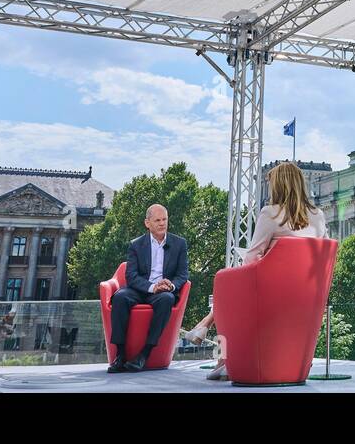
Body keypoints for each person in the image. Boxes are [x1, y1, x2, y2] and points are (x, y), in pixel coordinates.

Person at [184, 162, 327, 380]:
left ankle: (222, 356)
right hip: (306, 297)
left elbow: (252, 257)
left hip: (271, 295)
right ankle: (207, 330)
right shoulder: (318, 216)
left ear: (278, 186)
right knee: (231, 290)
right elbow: (320, 256)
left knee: (225, 285)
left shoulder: (270, 213)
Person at [108, 203, 189, 373]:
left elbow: (182, 275)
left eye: (165, 219)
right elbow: (131, 276)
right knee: (120, 297)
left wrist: (171, 285)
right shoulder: (136, 245)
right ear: (147, 223)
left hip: (163, 292)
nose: (162, 223)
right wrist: (153, 287)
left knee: (167, 299)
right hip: (140, 289)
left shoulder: (179, 244)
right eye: (157, 220)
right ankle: (120, 355)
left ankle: (144, 354)